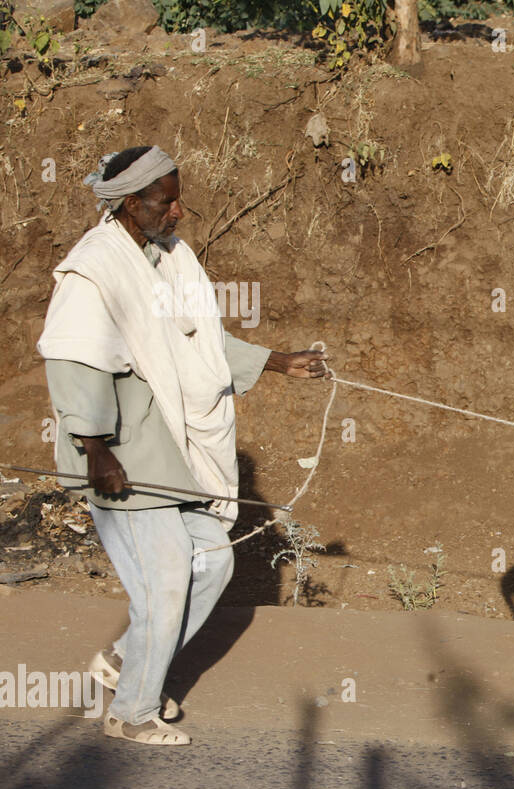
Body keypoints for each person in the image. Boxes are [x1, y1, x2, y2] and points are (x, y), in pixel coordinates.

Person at [38, 145, 329, 746]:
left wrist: (278, 362)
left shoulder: (170, 259)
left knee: (212, 561)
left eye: (176, 197)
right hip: (118, 451)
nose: (177, 211)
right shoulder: (94, 269)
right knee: (167, 578)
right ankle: (133, 710)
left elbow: (202, 342)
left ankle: (123, 660)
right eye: (163, 200)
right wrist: (95, 449)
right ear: (127, 202)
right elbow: (72, 363)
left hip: (171, 443)